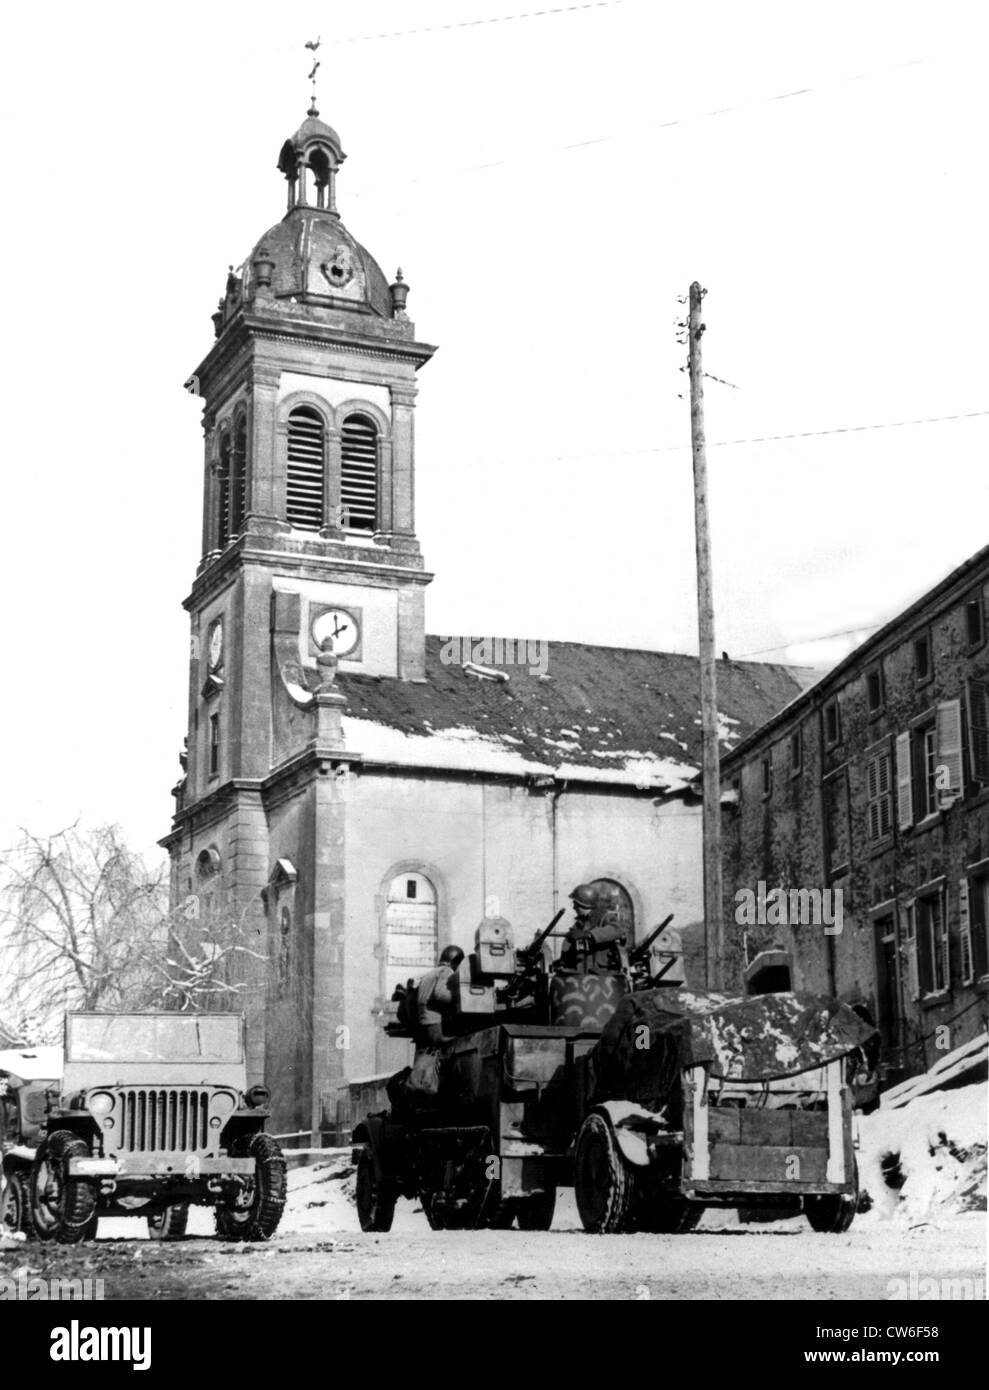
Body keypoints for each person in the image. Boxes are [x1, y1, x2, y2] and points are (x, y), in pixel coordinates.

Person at [415, 944, 465, 1046]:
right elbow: (440, 994)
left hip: (424, 1023)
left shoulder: (431, 973)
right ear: (455, 962)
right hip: (435, 1024)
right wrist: (460, 998)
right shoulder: (446, 971)